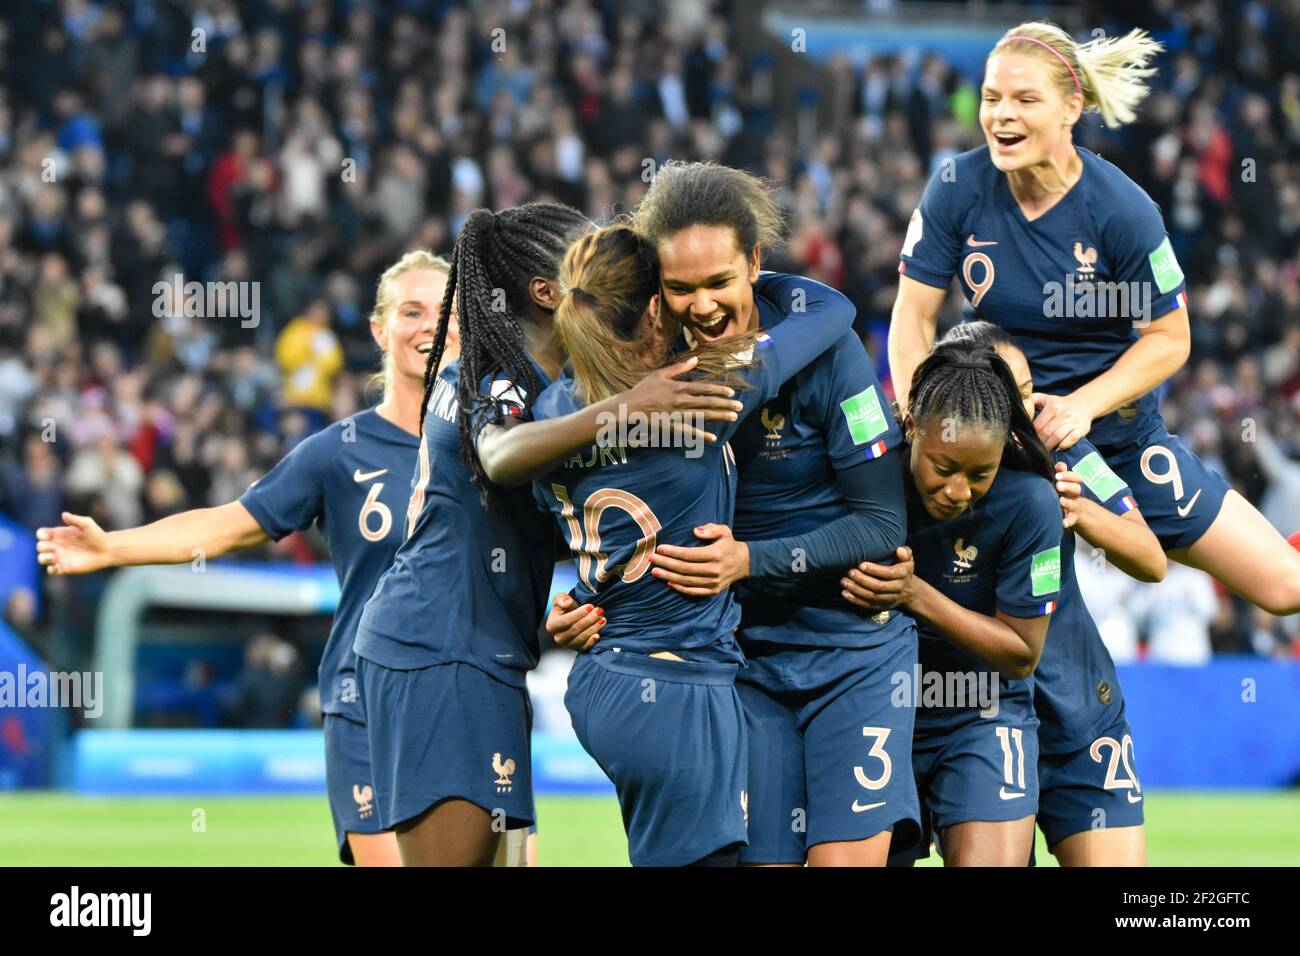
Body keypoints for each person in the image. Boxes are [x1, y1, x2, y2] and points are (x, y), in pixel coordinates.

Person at [551, 160, 920, 867]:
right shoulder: (652, 376)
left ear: (755, 262)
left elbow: (882, 526)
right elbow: (606, 511)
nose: (703, 305)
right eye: (680, 288)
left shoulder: (831, 353)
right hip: (737, 666)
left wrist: (750, 559)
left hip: (854, 656)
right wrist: (588, 600)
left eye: (719, 281)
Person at [35, 250, 458, 867]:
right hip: (367, 698)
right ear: (378, 328)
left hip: (475, 695)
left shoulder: (496, 447)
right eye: (410, 311)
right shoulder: (337, 451)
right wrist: (114, 547)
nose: (427, 326)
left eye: (442, 312)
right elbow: (229, 525)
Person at [352, 204, 742, 867]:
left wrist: (588, 596)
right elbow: (501, 457)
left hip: (484, 651)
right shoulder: (503, 379)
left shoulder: (540, 388)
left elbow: (551, 522)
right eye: (579, 258)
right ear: (546, 291)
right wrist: (628, 406)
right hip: (439, 649)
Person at [887, 21, 1300, 617]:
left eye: (1026, 99)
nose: (1002, 115)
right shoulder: (956, 188)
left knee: (1284, 590)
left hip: (1112, 438)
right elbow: (912, 319)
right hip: (994, 438)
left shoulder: (1123, 210)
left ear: (1071, 107)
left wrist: (1081, 406)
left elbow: (1169, 339)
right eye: (992, 97)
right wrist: (919, 414)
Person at [938, 320, 1164, 865]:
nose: (1027, 408)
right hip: (975, 721)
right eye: (1006, 394)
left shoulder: (1063, 442)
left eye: (1026, 389)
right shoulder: (932, 465)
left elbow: (1151, 558)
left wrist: (1080, 511)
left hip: (1079, 715)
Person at [841, 340, 1060, 866]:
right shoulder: (867, 473)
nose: (959, 491)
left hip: (982, 713)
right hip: (875, 710)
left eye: (979, 474)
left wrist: (916, 596)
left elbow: (1021, 653)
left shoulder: (1030, 503)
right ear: (912, 426)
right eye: (944, 467)